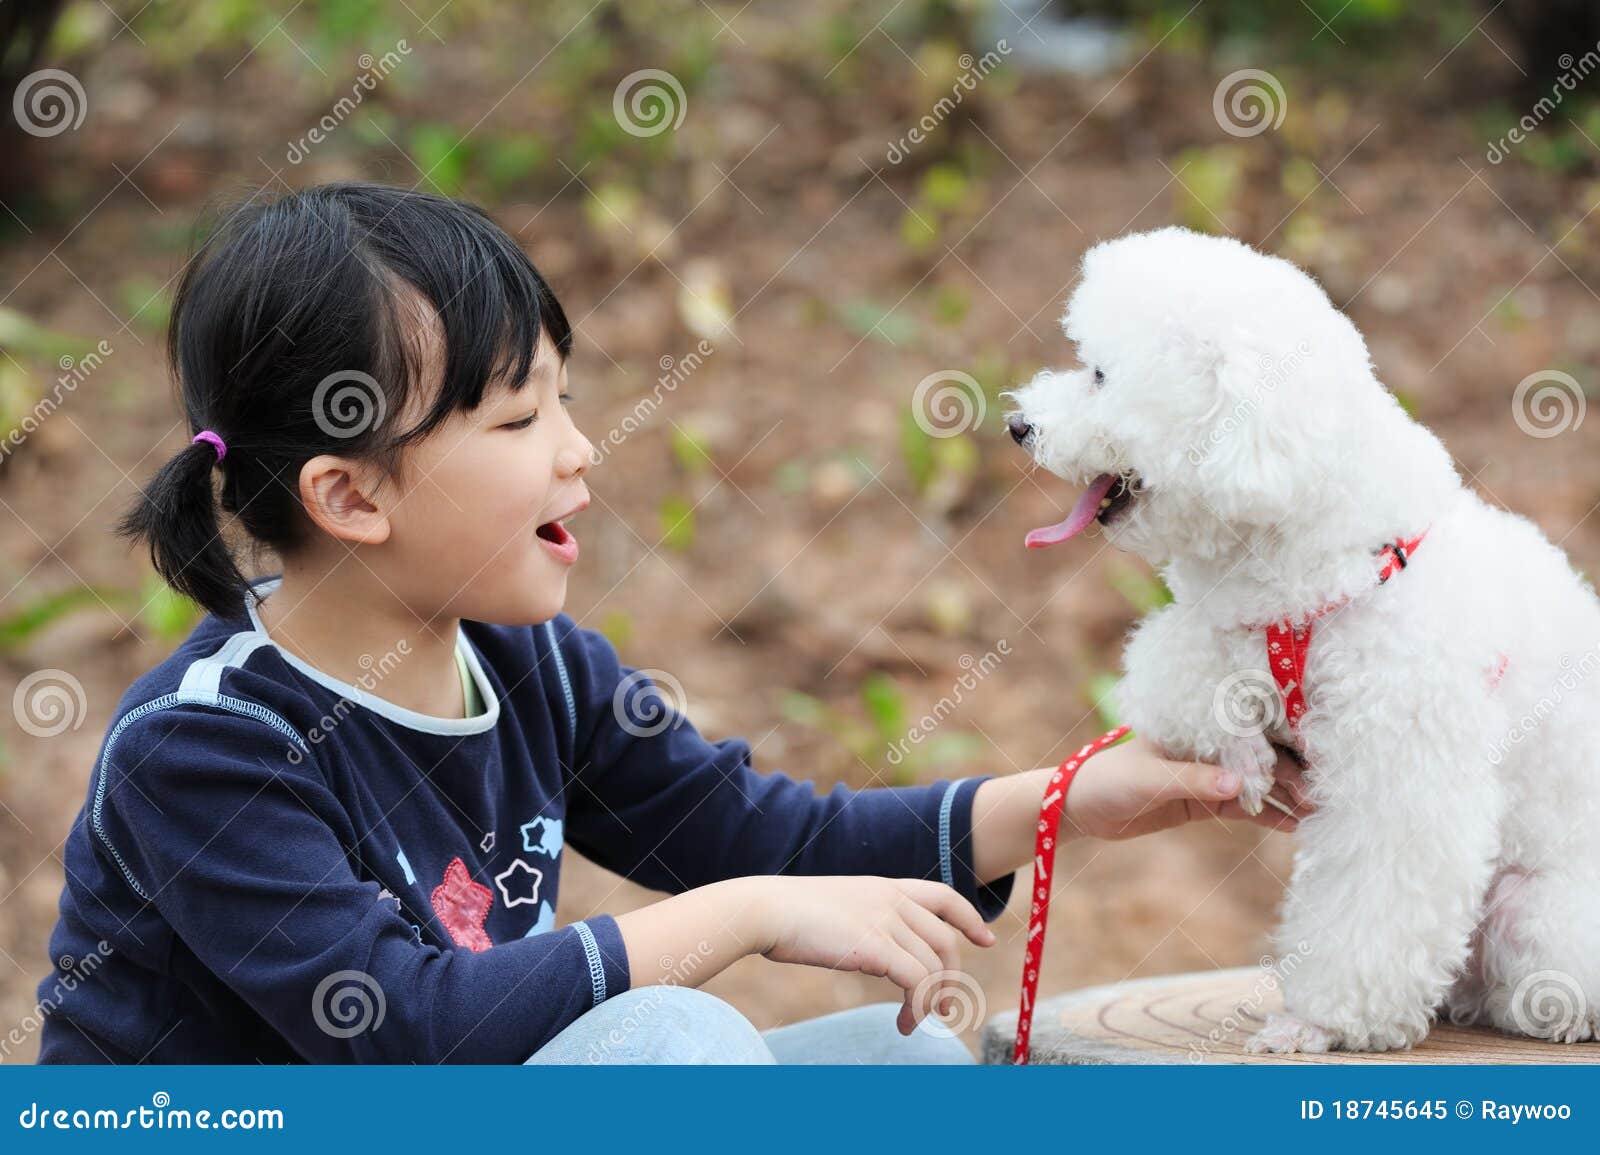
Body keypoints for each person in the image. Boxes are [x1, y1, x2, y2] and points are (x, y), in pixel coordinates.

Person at [37, 183, 1307, 1064]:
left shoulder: (523, 664)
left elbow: (761, 833)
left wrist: (1074, 796)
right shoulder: (208, 748)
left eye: (566, 401)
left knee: (904, 1064)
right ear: (350, 493)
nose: (582, 452)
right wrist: (743, 916)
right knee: (677, 1051)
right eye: (521, 421)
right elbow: (409, 1028)